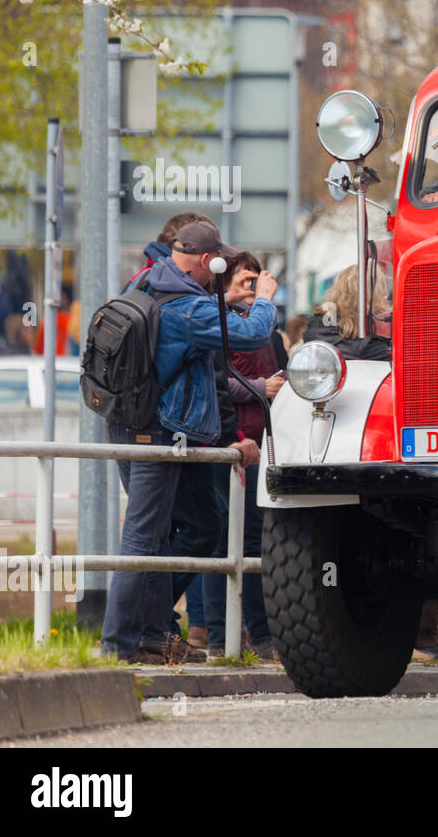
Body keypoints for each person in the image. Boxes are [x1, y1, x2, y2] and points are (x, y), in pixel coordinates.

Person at [99, 221, 276, 665]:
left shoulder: (142, 281)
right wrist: (266, 300)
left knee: (200, 528)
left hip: (131, 422)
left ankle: (151, 630)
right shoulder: (187, 308)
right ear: (206, 262)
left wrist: (225, 299)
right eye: (218, 264)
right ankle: (118, 647)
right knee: (143, 538)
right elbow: (253, 334)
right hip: (158, 429)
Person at [307, 264, 438, 660]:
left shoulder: (318, 333)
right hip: (395, 439)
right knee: (426, 529)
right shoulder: (395, 332)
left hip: (337, 447)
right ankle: (426, 635)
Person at [200, 252, 284, 661]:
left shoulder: (265, 328)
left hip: (260, 444)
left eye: (257, 280)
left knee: (252, 540)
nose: (254, 288)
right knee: (224, 541)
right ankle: (224, 637)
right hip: (230, 442)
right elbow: (216, 381)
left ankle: (250, 633)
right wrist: (260, 386)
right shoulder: (222, 323)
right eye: (245, 280)